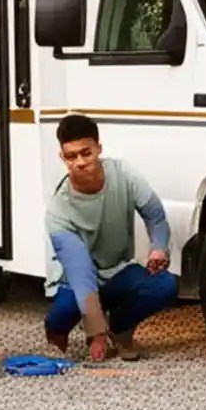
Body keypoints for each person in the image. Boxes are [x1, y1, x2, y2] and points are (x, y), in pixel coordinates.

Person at [44, 113, 179, 362]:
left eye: (86, 153)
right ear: (62, 157)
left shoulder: (125, 174)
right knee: (63, 313)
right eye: (71, 156)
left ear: (99, 149)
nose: (80, 162)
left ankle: (121, 327)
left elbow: (156, 216)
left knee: (166, 285)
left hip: (116, 271)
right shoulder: (57, 211)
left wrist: (159, 249)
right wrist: (96, 333)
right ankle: (56, 329)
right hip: (75, 280)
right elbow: (81, 275)